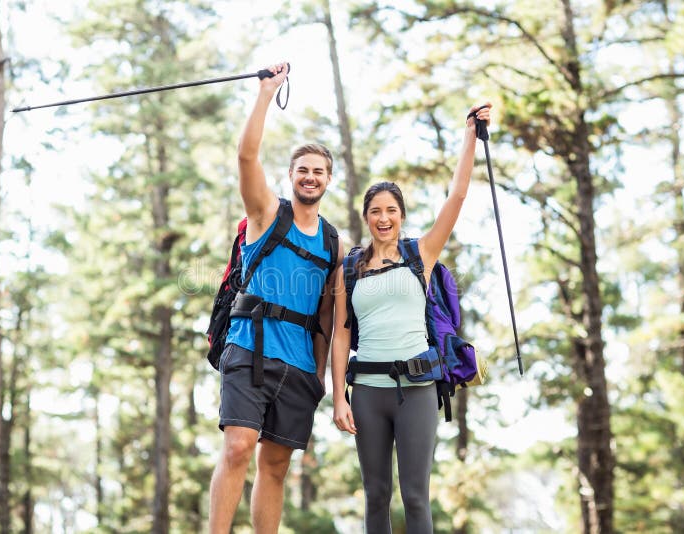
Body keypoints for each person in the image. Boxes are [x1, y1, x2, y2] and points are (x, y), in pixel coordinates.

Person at [330, 103, 492, 533]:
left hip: (418, 388)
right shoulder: (348, 268)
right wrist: (339, 397)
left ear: (401, 215)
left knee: (416, 496)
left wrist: (471, 134)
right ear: (366, 218)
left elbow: (457, 195)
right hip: (366, 391)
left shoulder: (421, 254)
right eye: (375, 211)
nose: (384, 218)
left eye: (391, 210)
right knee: (376, 496)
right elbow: (341, 338)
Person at [208, 62, 343, 534]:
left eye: (319, 172)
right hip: (249, 347)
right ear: (290, 176)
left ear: (329, 180)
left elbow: (329, 314)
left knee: (277, 466)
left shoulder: (332, 242)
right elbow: (246, 158)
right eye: (303, 170)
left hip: (301, 366)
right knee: (239, 445)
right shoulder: (266, 213)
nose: (310, 177)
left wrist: (322, 375)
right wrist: (267, 93)